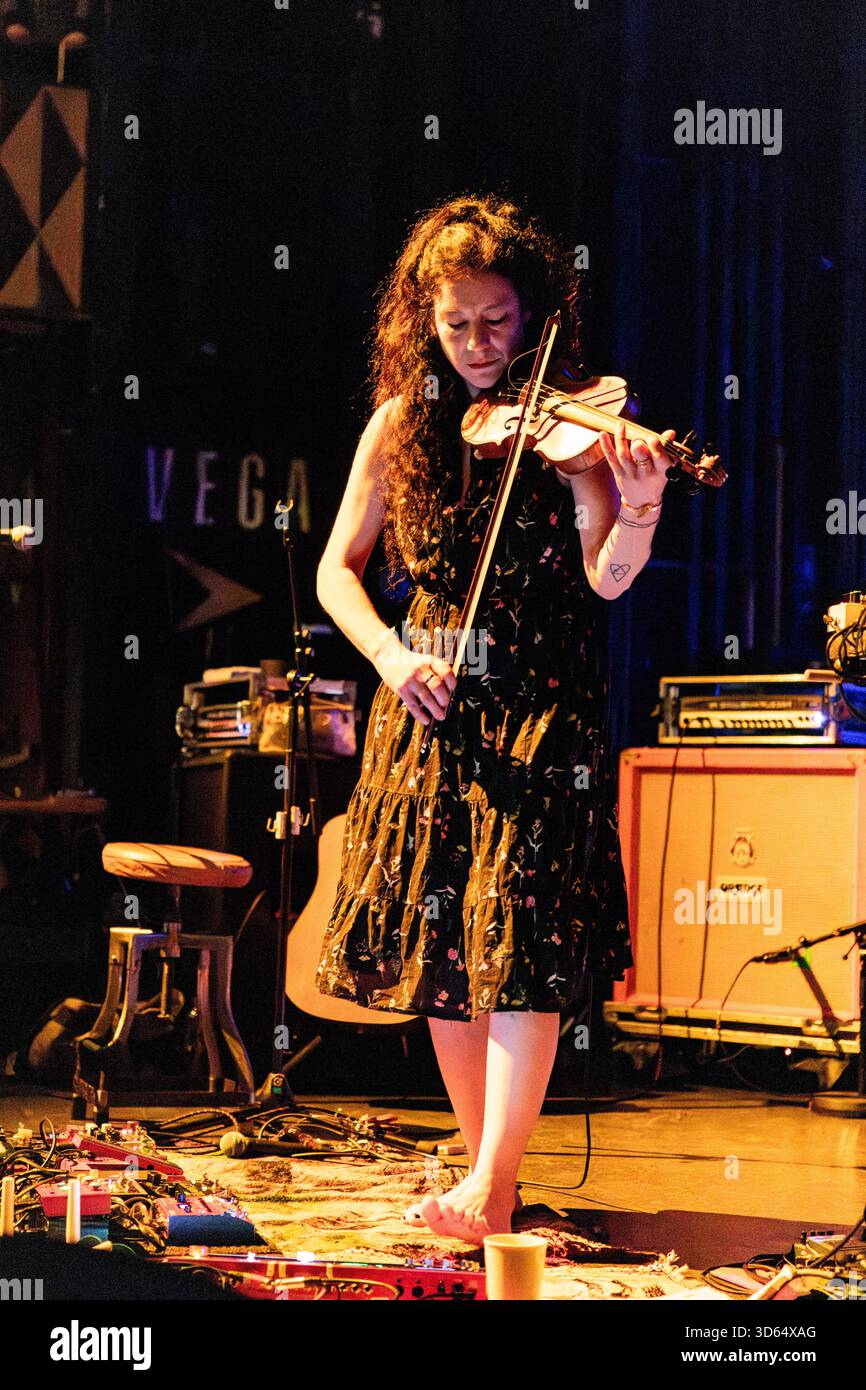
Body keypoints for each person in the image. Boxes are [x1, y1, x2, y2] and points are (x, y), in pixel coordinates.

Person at [314, 194, 674, 1244]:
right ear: (422, 320)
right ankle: (490, 1181)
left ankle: (490, 1175)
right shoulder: (401, 424)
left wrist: (638, 500)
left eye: (497, 321)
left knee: (520, 938)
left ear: (536, 314)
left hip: (540, 710)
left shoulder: (573, 426)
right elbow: (338, 570)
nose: (477, 345)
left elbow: (607, 579)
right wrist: (387, 653)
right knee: (443, 946)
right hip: (426, 700)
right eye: (455, 323)